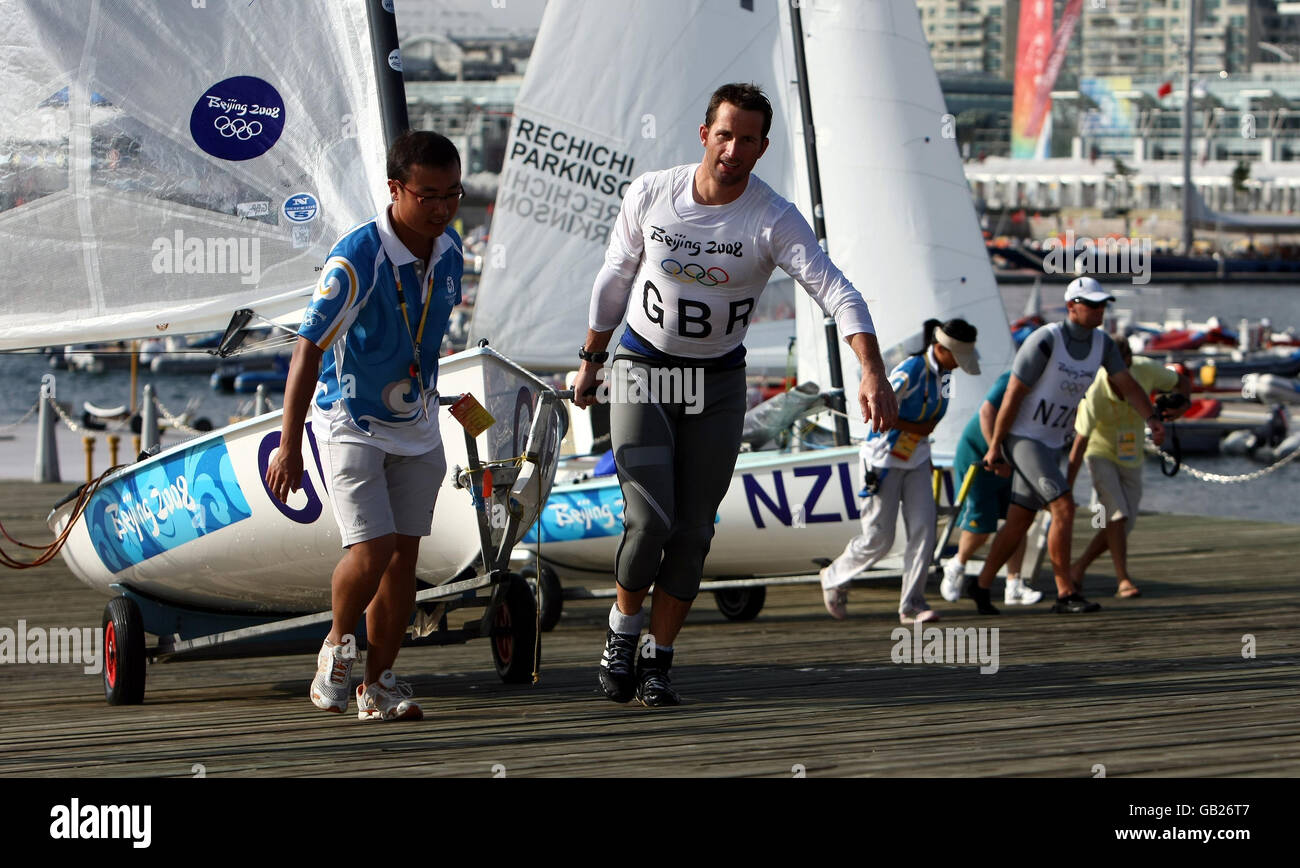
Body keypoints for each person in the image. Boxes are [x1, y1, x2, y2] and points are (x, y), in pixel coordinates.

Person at [571, 82, 898, 707]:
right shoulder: (653, 193)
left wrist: (872, 370)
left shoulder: (771, 217)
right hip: (645, 367)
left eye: (748, 139)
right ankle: (621, 632)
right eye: (725, 134)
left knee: (693, 532)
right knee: (649, 521)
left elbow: (839, 293)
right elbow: (614, 275)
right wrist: (591, 358)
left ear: (761, 147)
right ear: (705, 135)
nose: (733, 149)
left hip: (717, 381)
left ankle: (659, 661)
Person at [265, 130, 465, 721]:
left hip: (418, 421)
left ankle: (377, 685)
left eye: (452, 194)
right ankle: (335, 646)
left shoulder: (449, 250)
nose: (442, 208)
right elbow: (306, 350)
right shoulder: (357, 258)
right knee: (372, 548)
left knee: (406, 557)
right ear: (395, 189)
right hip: (350, 420)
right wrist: (288, 444)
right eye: (428, 195)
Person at [967, 276, 1166, 615]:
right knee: (1064, 507)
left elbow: (1128, 385)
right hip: (1024, 439)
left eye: (1103, 304)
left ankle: (982, 584)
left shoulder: (1102, 344)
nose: (1100, 310)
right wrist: (995, 446)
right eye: (1092, 304)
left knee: (1019, 520)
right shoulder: (1045, 341)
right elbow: (1012, 396)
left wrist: (1152, 419)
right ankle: (1065, 593)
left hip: (1051, 442)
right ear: (1072, 306)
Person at [820, 318, 981, 623]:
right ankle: (833, 576)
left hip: (918, 458)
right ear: (941, 349)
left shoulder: (947, 377)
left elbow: (930, 423)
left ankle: (912, 605)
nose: (961, 365)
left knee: (925, 531)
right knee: (879, 538)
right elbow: (882, 410)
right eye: (958, 358)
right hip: (883, 460)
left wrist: (924, 446)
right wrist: (915, 426)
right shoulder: (911, 370)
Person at [1067, 340, 1191, 598]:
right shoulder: (1096, 390)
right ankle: (1123, 580)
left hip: (1131, 454)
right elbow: (1080, 443)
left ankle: (1078, 568)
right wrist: (1065, 490)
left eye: (1122, 363)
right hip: (1099, 452)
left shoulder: (1145, 369)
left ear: (1131, 361)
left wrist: (1181, 406)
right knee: (1116, 515)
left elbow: (1183, 383)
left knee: (1123, 524)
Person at [938, 369, 1036, 606]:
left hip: (1012, 459)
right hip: (980, 455)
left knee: (1018, 520)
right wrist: (996, 453)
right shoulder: (1013, 378)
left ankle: (1014, 585)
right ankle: (957, 564)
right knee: (980, 528)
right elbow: (986, 411)